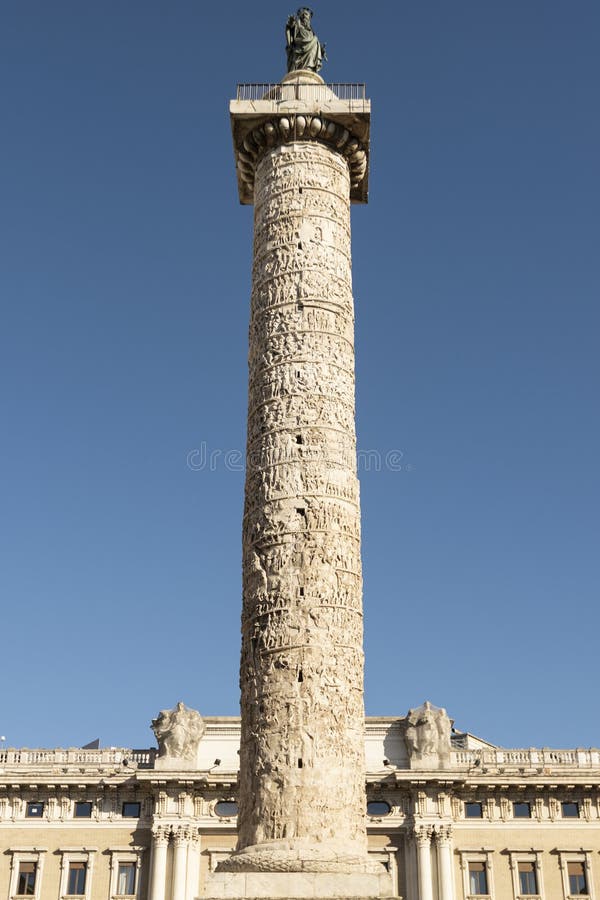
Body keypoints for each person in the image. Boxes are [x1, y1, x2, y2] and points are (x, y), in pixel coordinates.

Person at [285, 8, 326, 73]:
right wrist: (290, 23)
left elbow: (314, 44)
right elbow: (290, 27)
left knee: (315, 39)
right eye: (302, 14)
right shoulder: (297, 25)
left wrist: (320, 51)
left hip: (310, 52)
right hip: (298, 50)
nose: (304, 16)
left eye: (306, 14)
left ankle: (309, 69)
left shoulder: (311, 32)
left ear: (309, 17)